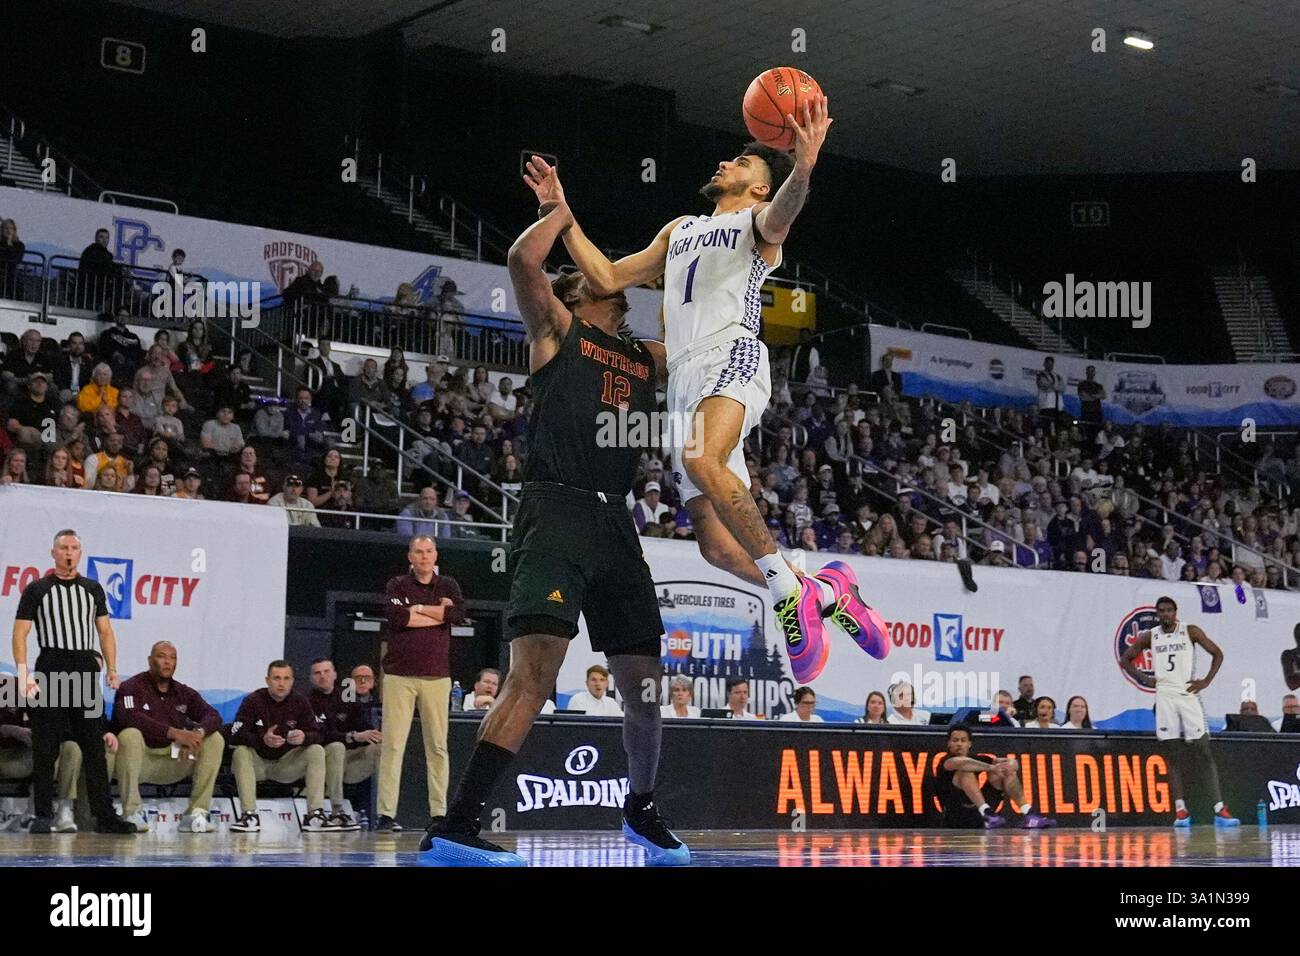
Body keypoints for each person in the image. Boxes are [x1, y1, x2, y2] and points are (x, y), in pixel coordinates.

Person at [523, 106, 887, 688]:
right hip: (684, 379)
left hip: (732, 354)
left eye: (739, 160)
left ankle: (791, 595)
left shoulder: (757, 224)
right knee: (715, 549)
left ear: (759, 185)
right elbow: (607, 278)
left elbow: (786, 212)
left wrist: (806, 165)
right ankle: (827, 590)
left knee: (702, 459)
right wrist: (559, 214)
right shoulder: (679, 229)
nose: (724, 161)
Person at [420, 199, 686, 868]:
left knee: (646, 685)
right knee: (533, 675)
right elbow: (521, 260)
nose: (617, 285)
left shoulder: (644, 356)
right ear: (577, 293)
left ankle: (642, 810)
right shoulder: (557, 329)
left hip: (615, 521)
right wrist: (559, 211)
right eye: (603, 280)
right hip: (556, 511)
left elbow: (707, 343)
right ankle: (457, 825)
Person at [9, 530, 136, 834]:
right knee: (45, 746)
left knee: (94, 746)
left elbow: (105, 632)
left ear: (81, 553)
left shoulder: (93, 589)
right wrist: (24, 673)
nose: (68, 552)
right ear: (53, 553)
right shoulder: (37, 589)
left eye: (74, 548)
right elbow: (20, 633)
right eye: (63, 547)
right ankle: (42, 815)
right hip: (51, 666)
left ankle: (104, 816)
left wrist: (113, 668)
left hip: (84, 668)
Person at [1121, 595, 1240, 828]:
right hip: (1164, 695)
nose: (1165, 614)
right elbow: (1126, 659)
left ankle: (1219, 809)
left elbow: (1218, 653)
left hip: (1187, 693)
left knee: (1203, 750)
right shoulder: (1150, 636)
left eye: (1168, 610)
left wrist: (1205, 681)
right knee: (1172, 754)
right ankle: (1181, 811)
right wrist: (1145, 679)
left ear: (1176, 612)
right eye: (1161, 611)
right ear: (1157, 614)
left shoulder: (1190, 631)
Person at [376, 535, 466, 832]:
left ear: (435, 554)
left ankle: (439, 813)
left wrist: (418, 610)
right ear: (410, 557)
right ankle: (386, 814)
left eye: (429, 551)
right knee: (392, 745)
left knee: (438, 747)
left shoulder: (448, 584)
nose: (424, 556)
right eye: (419, 552)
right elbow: (396, 616)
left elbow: (457, 614)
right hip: (399, 676)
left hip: (437, 677)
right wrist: (436, 613)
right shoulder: (396, 584)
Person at [108, 641, 225, 833]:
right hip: (141, 761)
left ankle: (196, 813)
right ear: (150, 660)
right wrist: (175, 733)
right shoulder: (131, 687)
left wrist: (196, 735)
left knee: (214, 739)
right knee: (130, 735)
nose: (167, 662)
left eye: (172, 658)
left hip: (175, 759)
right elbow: (128, 717)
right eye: (162, 656)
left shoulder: (183, 692)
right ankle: (131, 812)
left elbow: (213, 716)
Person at [229, 660, 335, 832]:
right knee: (241, 752)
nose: (281, 683)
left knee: (316, 750)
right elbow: (235, 734)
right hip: (257, 764)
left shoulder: (300, 702)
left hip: (285, 765)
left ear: (292, 681)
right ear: (267, 680)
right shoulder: (253, 700)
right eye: (276, 678)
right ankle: (249, 815)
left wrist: (304, 737)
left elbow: (318, 734)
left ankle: (315, 815)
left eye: (286, 678)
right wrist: (262, 739)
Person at [0, 673, 83, 832]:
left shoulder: (22, 687)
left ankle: (64, 810)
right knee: (47, 749)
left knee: (70, 747)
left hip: (27, 750)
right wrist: (8, 730)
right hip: (5, 753)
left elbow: (60, 724)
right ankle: (33, 812)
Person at [935, 726, 1055, 829]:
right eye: (955, 740)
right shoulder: (945, 761)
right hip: (955, 817)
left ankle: (1028, 813)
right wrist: (991, 767)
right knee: (965, 772)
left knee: (1005, 771)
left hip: (978, 818)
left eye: (963, 740)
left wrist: (1011, 764)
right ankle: (986, 812)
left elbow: (1013, 764)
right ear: (949, 743)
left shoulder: (980, 758)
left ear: (969, 744)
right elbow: (960, 763)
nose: (959, 744)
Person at [307, 658, 375, 831]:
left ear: (335, 674)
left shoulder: (347, 697)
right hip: (324, 759)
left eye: (327, 671)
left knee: (384, 749)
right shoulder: (306, 701)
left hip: (351, 760)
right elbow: (320, 735)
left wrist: (373, 735)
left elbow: (365, 727)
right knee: (336, 747)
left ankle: (384, 813)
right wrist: (351, 736)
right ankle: (337, 811)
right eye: (317, 673)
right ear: (311, 678)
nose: (323, 676)